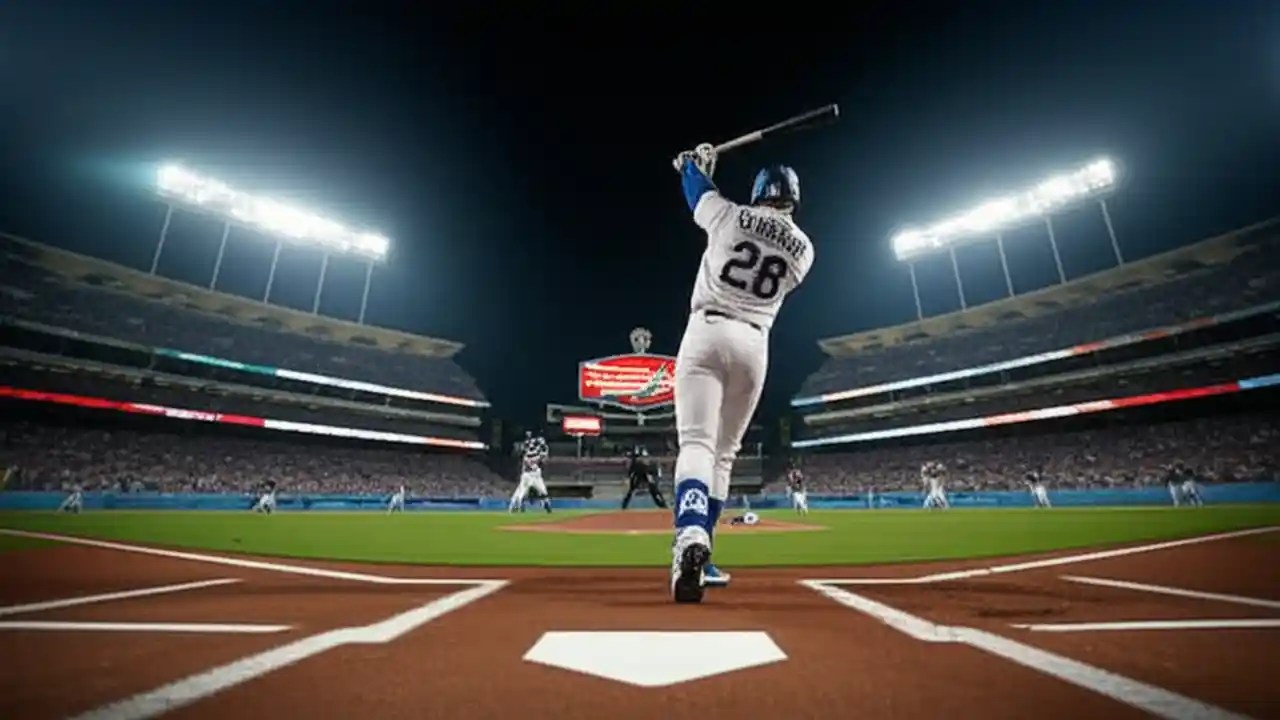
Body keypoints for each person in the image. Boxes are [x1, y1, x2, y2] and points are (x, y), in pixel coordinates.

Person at [667, 143, 814, 603]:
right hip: (754, 344)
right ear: (793, 198)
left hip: (707, 329)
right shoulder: (806, 251)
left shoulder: (730, 216)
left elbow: (698, 195)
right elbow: (755, 226)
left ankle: (690, 536)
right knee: (724, 456)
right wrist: (697, 171)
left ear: (759, 192)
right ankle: (704, 549)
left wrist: (694, 164)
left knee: (696, 444)